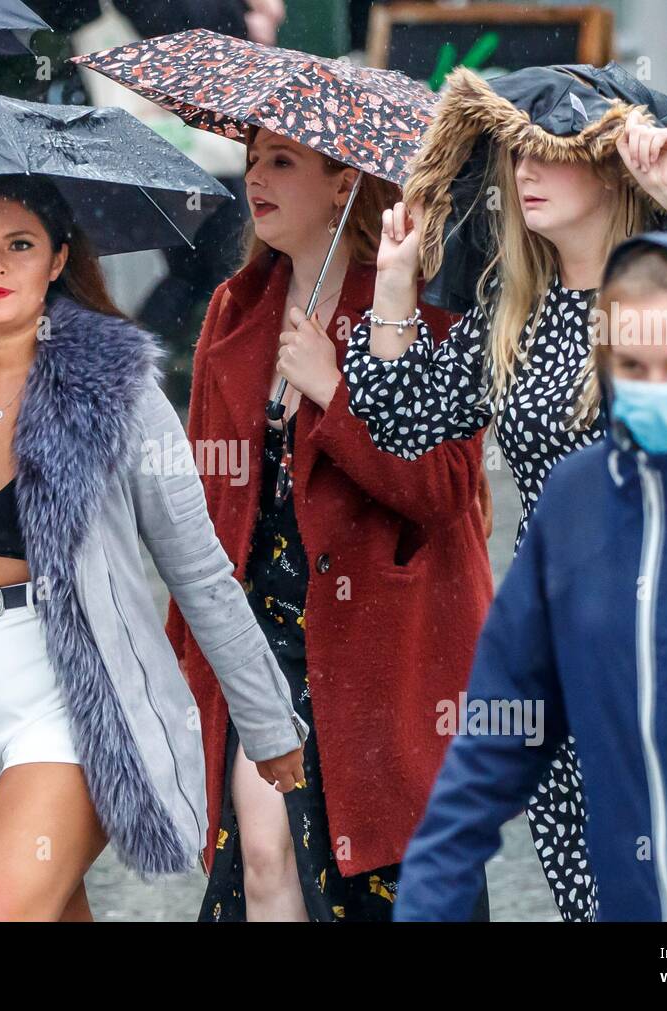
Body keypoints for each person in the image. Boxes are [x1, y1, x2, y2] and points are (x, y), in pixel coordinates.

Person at [341, 64, 667, 920]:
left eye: (546, 154)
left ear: (608, 163)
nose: (522, 173)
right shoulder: (516, 306)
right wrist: (393, 282)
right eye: (513, 157)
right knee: (599, 892)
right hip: (567, 642)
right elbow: (405, 416)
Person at [0, 174, 309, 921]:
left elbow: (198, 569)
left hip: (68, 689)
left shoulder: (114, 390)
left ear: (57, 259)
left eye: (18, 245)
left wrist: (267, 723)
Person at [164, 124, 494, 922]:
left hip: (380, 644)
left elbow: (443, 492)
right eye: (250, 164)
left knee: (376, 880)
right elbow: (206, 510)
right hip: (262, 636)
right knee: (265, 853)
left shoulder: (431, 315)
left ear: (345, 185)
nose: (256, 180)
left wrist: (335, 395)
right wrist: (181, 666)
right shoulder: (235, 311)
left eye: (282, 162)